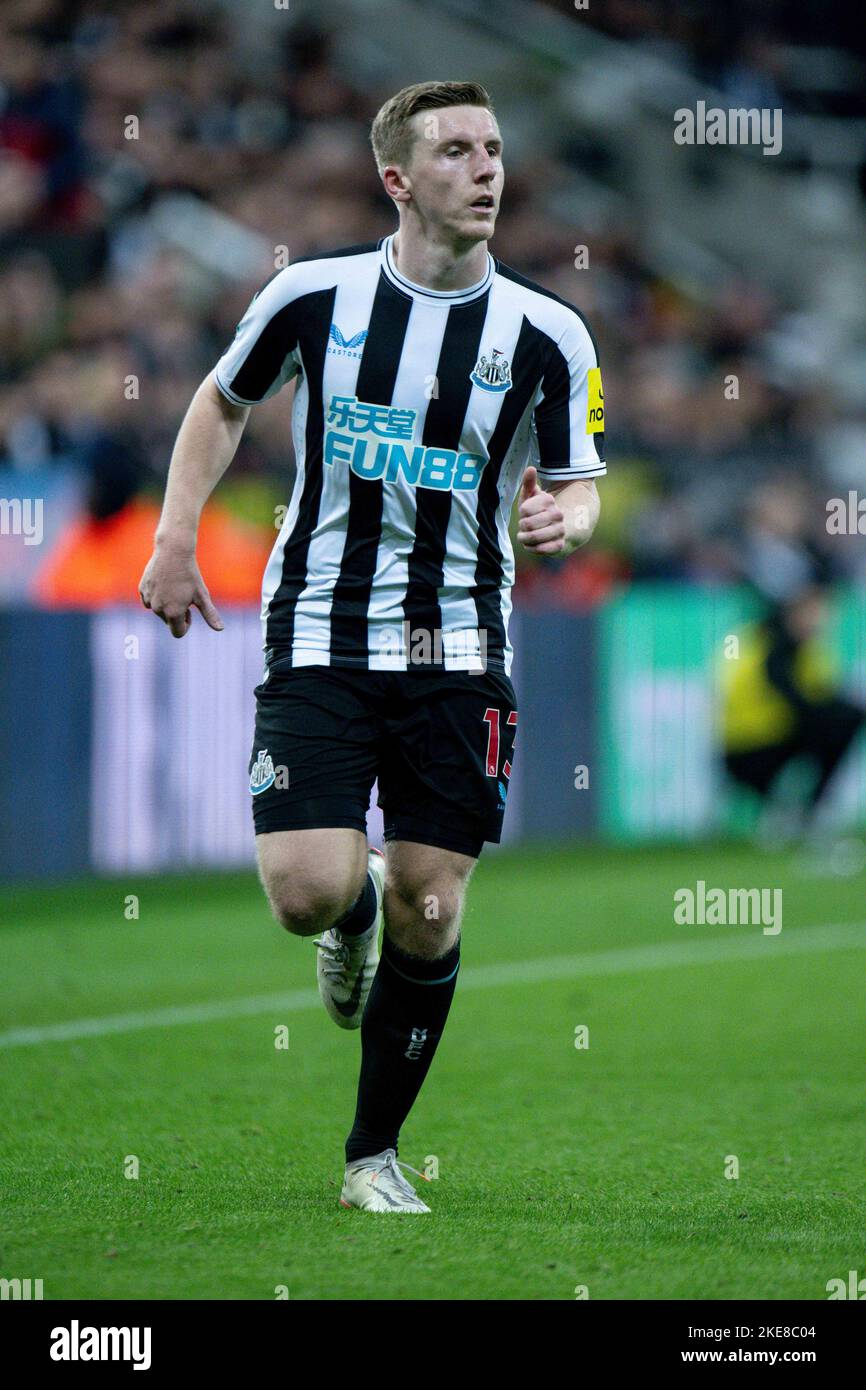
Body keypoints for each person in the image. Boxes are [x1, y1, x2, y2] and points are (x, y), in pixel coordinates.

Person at [139, 80, 605, 1212]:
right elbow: (221, 399)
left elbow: (582, 483)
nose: (485, 168)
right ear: (397, 180)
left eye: (493, 148)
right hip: (319, 629)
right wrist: (174, 537)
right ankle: (347, 918)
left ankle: (371, 1155)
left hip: (460, 645)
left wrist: (562, 519)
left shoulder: (549, 332)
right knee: (306, 889)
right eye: (455, 151)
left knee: (433, 904)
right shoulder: (311, 295)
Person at [721, 584, 865, 841]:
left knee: (844, 719)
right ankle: (804, 810)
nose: (822, 618)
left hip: (773, 734)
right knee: (842, 721)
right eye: (815, 611)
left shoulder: (802, 646)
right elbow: (793, 697)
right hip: (750, 743)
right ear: (794, 612)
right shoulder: (766, 646)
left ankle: (805, 808)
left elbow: (823, 692)